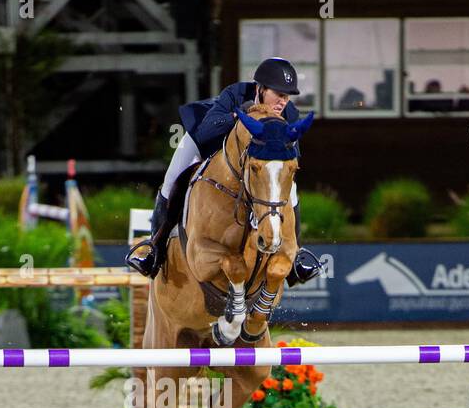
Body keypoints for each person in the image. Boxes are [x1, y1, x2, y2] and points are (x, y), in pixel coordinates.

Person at [126, 58, 322, 285]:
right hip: (203, 140)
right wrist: (238, 117)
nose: (282, 102)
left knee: (292, 191)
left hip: (244, 161)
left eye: (286, 96)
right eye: (278, 94)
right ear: (260, 89)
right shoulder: (236, 94)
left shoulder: (289, 115)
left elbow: (290, 157)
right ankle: (154, 249)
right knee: (171, 181)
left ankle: (294, 256)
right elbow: (208, 129)